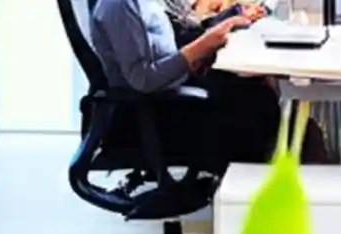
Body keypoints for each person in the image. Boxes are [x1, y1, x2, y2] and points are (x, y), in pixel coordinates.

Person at [90, 0, 296, 169]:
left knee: (255, 90)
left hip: (167, 96)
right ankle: (246, 203)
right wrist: (204, 44)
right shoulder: (120, 5)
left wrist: (207, 48)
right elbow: (144, 80)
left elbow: (164, 53)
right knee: (259, 106)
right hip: (150, 114)